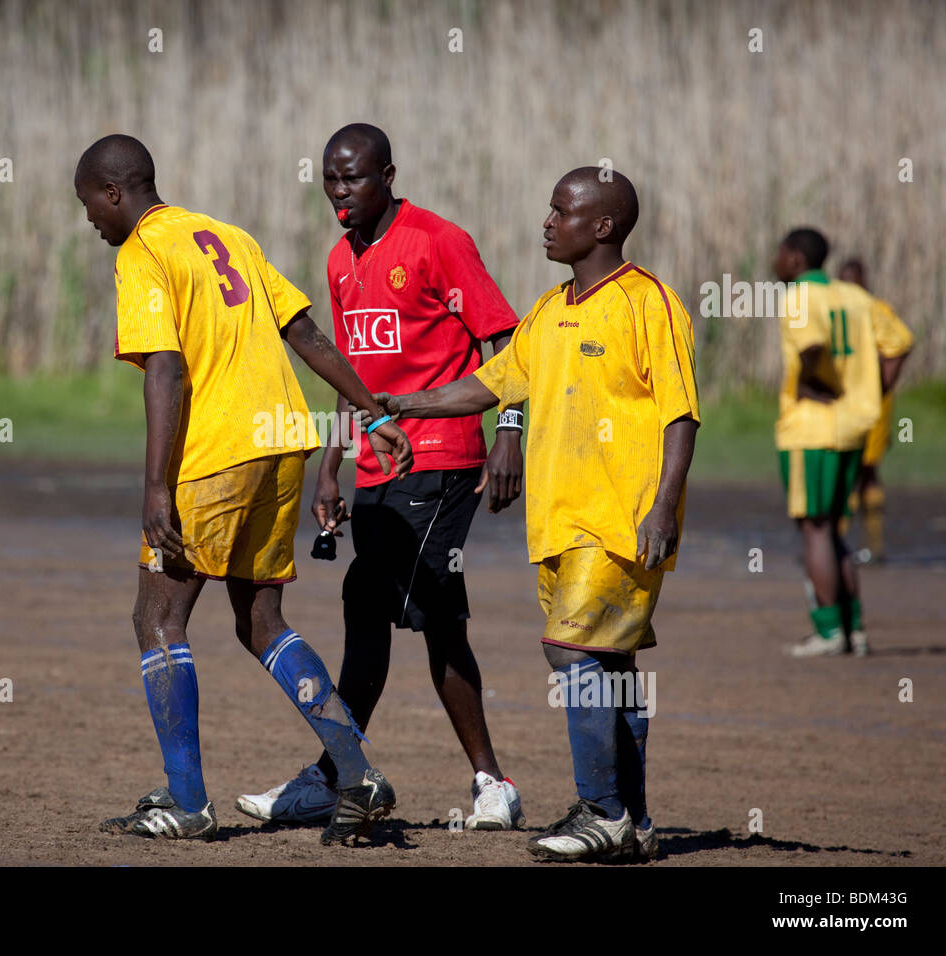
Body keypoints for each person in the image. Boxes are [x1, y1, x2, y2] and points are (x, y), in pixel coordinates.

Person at [75, 134, 414, 845]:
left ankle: (188, 801)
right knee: (261, 624)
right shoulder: (228, 235)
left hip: (217, 454)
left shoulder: (143, 250)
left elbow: (166, 370)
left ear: (114, 194)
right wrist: (372, 411)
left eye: (89, 207)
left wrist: (156, 488)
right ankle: (355, 772)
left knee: (158, 620)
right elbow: (307, 333)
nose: (91, 224)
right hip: (282, 441)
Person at [360, 166, 699, 862]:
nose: (547, 222)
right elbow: (489, 384)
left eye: (561, 211)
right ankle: (631, 821)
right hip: (557, 523)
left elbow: (681, 415)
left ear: (602, 227)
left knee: (569, 649)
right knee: (611, 665)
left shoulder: (650, 304)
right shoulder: (549, 310)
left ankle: (599, 809)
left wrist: (663, 507)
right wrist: (401, 403)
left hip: (621, 520)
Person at [236, 123, 526, 831]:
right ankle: (344, 774)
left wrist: (509, 436)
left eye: (355, 179)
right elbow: (350, 379)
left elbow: (504, 340)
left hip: (443, 454)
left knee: (419, 616)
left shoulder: (438, 241)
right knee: (378, 612)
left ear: (388, 175)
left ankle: (478, 781)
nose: (341, 192)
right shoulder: (340, 261)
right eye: (331, 180)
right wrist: (330, 467)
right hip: (376, 465)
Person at [773, 231, 910, 657]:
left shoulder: (799, 297)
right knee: (832, 527)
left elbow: (812, 347)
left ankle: (829, 631)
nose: (774, 261)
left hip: (814, 429)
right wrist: (877, 392)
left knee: (813, 529)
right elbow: (900, 342)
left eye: (778, 254)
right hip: (854, 426)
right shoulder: (854, 296)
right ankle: (856, 630)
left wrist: (814, 383)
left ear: (794, 259)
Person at [836, 258, 913, 563]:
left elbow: (902, 343)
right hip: (849, 403)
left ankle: (869, 544)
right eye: (842, 283)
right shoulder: (840, 312)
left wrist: (882, 386)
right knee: (848, 469)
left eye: (852, 282)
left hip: (873, 405)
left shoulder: (873, 308)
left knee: (863, 470)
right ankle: (839, 543)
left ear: (864, 281)